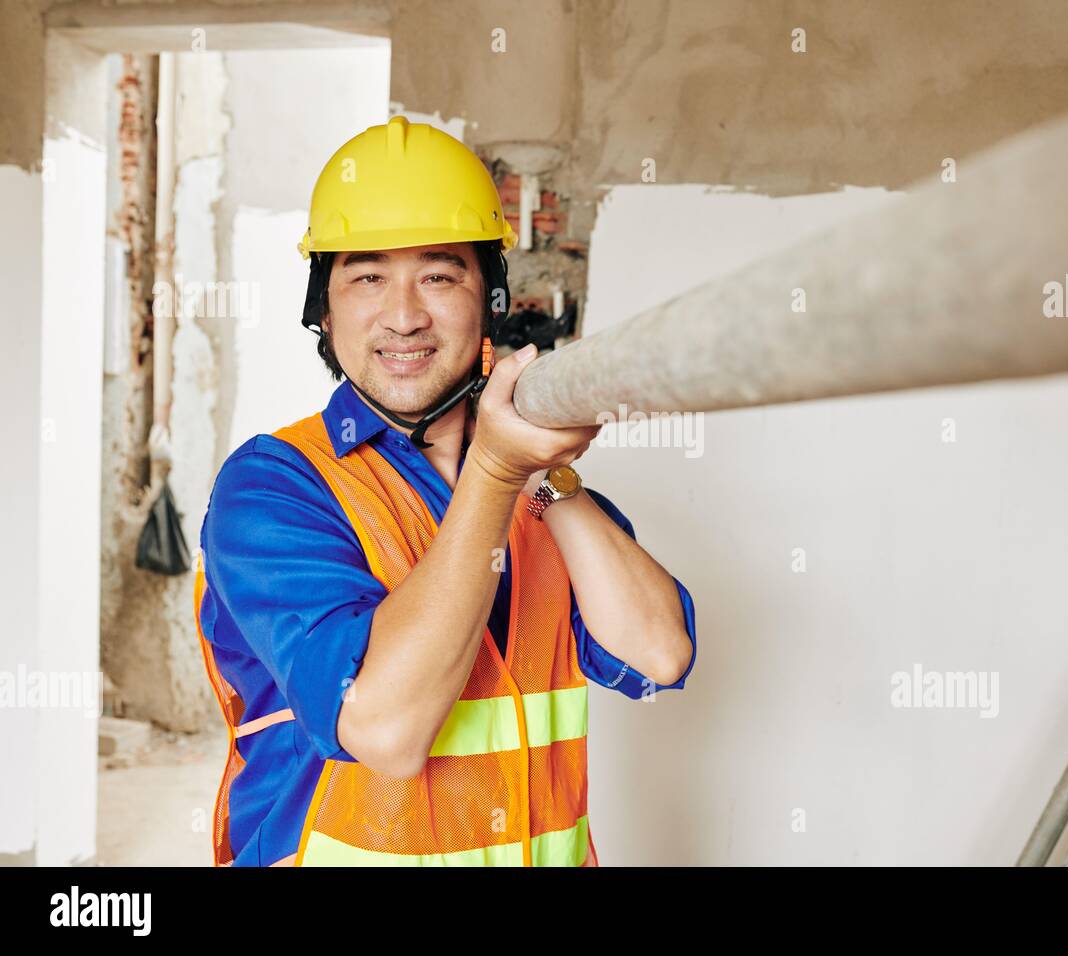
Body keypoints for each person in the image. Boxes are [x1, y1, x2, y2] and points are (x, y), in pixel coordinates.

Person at [193, 116, 698, 866]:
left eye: (440, 274)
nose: (404, 315)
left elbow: (659, 652)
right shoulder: (273, 487)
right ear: (324, 314)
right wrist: (497, 470)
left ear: (489, 301)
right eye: (367, 277)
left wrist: (543, 476)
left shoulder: (538, 484)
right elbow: (387, 733)